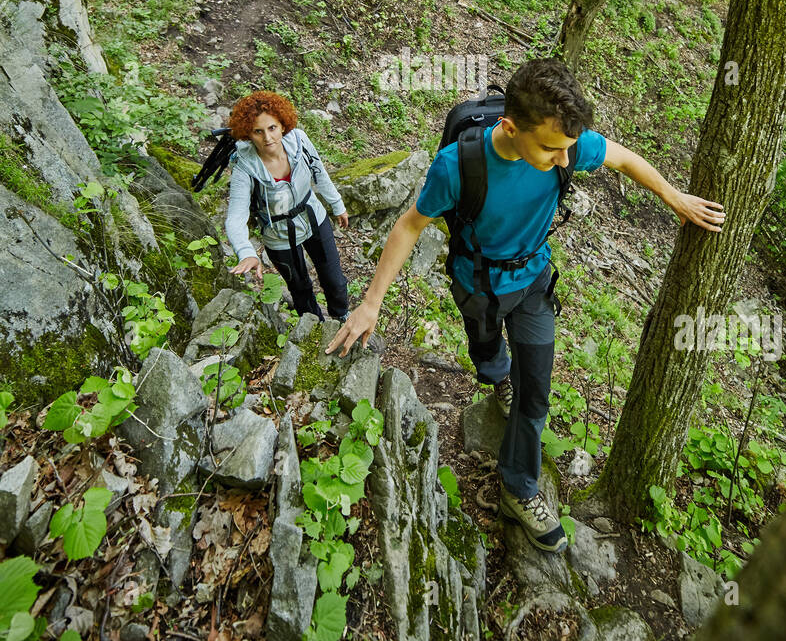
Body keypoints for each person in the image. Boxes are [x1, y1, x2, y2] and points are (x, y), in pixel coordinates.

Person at [325, 57, 726, 553]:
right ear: (510, 128)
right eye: (552, 150)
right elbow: (411, 225)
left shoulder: (566, 146)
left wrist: (674, 198)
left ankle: (519, 486)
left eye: (568, 150)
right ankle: (496, 378)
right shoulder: (459, 165)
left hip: (534, 281)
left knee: (536, 395)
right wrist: (370, 303)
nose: (565, 162)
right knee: (489, 354)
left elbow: (621, 158)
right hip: (478, 285)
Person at [224, 90, 350, 322]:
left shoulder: (299, 141)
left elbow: (319, 172)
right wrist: (246, 252)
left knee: (334, 279)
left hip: (313, 216)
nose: (267, 138)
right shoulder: (245, 167)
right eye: (258, 132)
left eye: (272, 128)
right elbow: (235, 217)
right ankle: (313, 330)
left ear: (282, 125)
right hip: (278, 235)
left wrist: (337, 204)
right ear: (248, 135)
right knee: (300, 288)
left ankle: (342, 316)